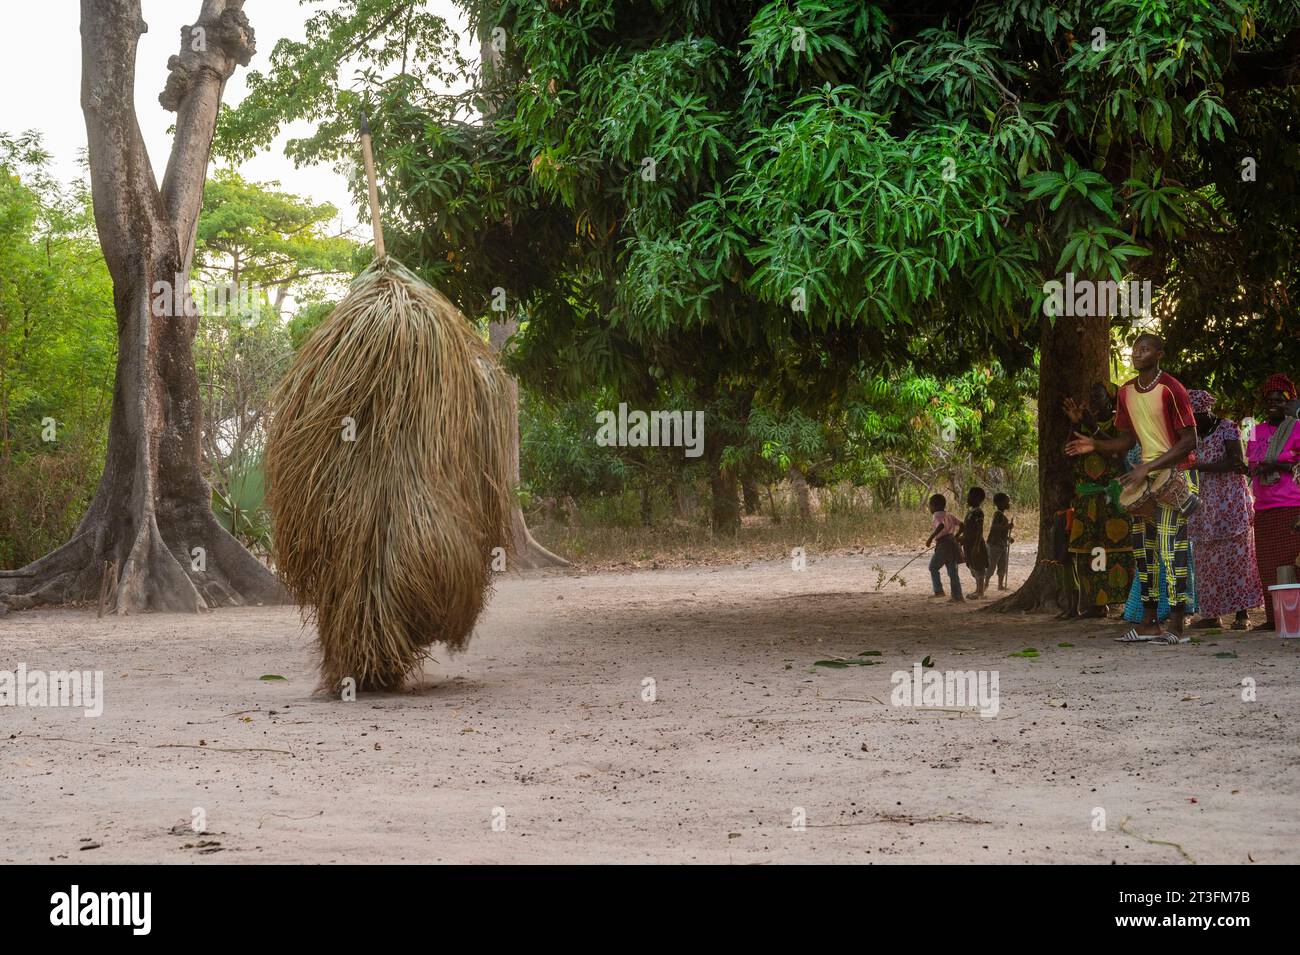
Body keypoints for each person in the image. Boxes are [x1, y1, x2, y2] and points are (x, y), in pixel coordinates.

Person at [1065, 333, 1197, 643]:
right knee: (1146, 553)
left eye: (1146, 349)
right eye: (1135, 348)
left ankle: (1177, 624)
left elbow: (1189, 440)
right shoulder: (1126, 393)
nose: (1138, 353)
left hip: (1173, 476)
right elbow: (1125, 441)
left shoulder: (1171, 388)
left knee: (1170, 551)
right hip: (1145, 479)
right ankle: (1150, 623)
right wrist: (1095, 444)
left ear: (1159, 354)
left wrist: (1147, 467)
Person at [1185, 389, 1260, 630]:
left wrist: (1200, 466)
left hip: (1230, 501)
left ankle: (1242, 614)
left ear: (1205, 411)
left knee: (1237, 557)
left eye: (1195, 416)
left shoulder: (1227, 427)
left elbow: (1236, 462)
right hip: (1203, 503)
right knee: (1206, 560)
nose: (1192, 421)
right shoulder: (1190, 434)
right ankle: (1211, 615)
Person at [1061, 382, 1135, 618]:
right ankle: (1096, 603)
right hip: (1087, 500)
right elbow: (1069, 453)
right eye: (1091, 395)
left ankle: (1124, 603)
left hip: (1111, 499)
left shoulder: (1119, 426)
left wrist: (1093, 429)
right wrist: (1075, 423)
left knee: (1118, 551)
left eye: (1099, 395)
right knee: (1090, 552)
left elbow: (1117, 452)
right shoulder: (1084, 423)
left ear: (1111, 399)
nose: (1093, 400)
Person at [1246, 373, 1300, 631]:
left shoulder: (1297, 427)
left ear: (1289, 402)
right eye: (1269, 400)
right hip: (1264, 506)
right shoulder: (1256, 431)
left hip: (1292, 505)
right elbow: (1252, 462)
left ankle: (1294, 617)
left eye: (1279, 400)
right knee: (1267, 565)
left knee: (1291, 562)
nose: (1273, 404)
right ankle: (1273, 618)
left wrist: (1277, 463)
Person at [925, 493, 964, 602]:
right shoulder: (949, 515)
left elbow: (941, 525)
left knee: (933, 567)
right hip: (952, 543)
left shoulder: (937, 515)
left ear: (934, 506)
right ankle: (957, 596)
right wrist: (956, 537)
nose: (929, 508)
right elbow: (962, 525)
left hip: (943, 545)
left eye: (930, 506)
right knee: (952, 571)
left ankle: (938, 591)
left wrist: (930, 538)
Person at [959, 487, 990, 599]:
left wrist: (976, 546)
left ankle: (980, 592)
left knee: (978, 566)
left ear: (979, 499)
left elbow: (979, 529)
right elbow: (968, 528)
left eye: (971, 496)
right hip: (968, 543)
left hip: (975, 544)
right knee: (973, 565)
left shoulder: (978, 512)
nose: (968, 498)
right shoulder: (970, 511)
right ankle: (977, 590)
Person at [986, 493, 1014, 591]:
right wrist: (1007, 527)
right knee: (991, 565)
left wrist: (1007, 538)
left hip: (1002, 544)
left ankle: (1000, 585)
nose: (1009, 503)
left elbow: (1000, 532)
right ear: (1000, 503)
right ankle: (985, 584)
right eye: (1007, 501)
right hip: (994, 545)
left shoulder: (1001, 515)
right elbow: (994, 528)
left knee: (1003, 565)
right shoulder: (997, 514)